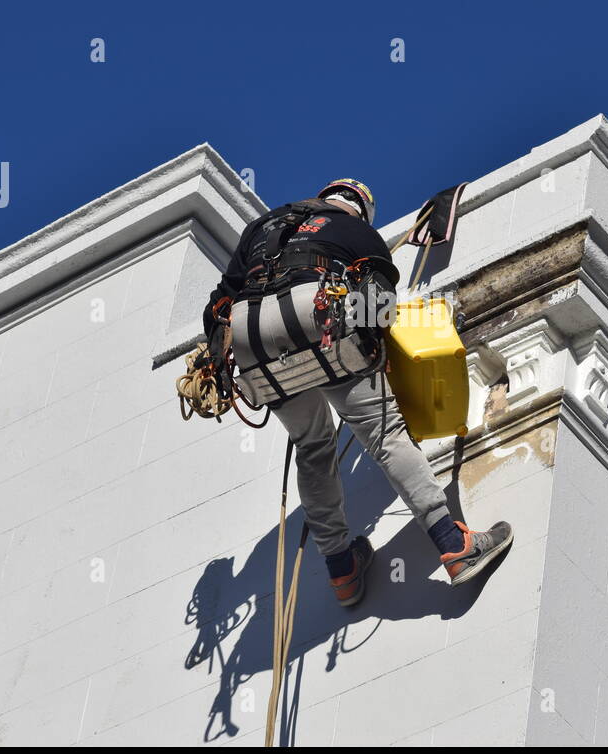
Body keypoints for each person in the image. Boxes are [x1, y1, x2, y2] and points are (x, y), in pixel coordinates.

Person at [202, 178, 512, 607]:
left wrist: (221, 362)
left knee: (312, 445)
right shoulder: (357, 231)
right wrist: (373, 343)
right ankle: (453, 544)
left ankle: (341, 569)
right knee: (385, 436)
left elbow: (219, 302)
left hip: (251, 337)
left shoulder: (262, 227)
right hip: (315, 318)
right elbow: (380, 299)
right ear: (361, 209)